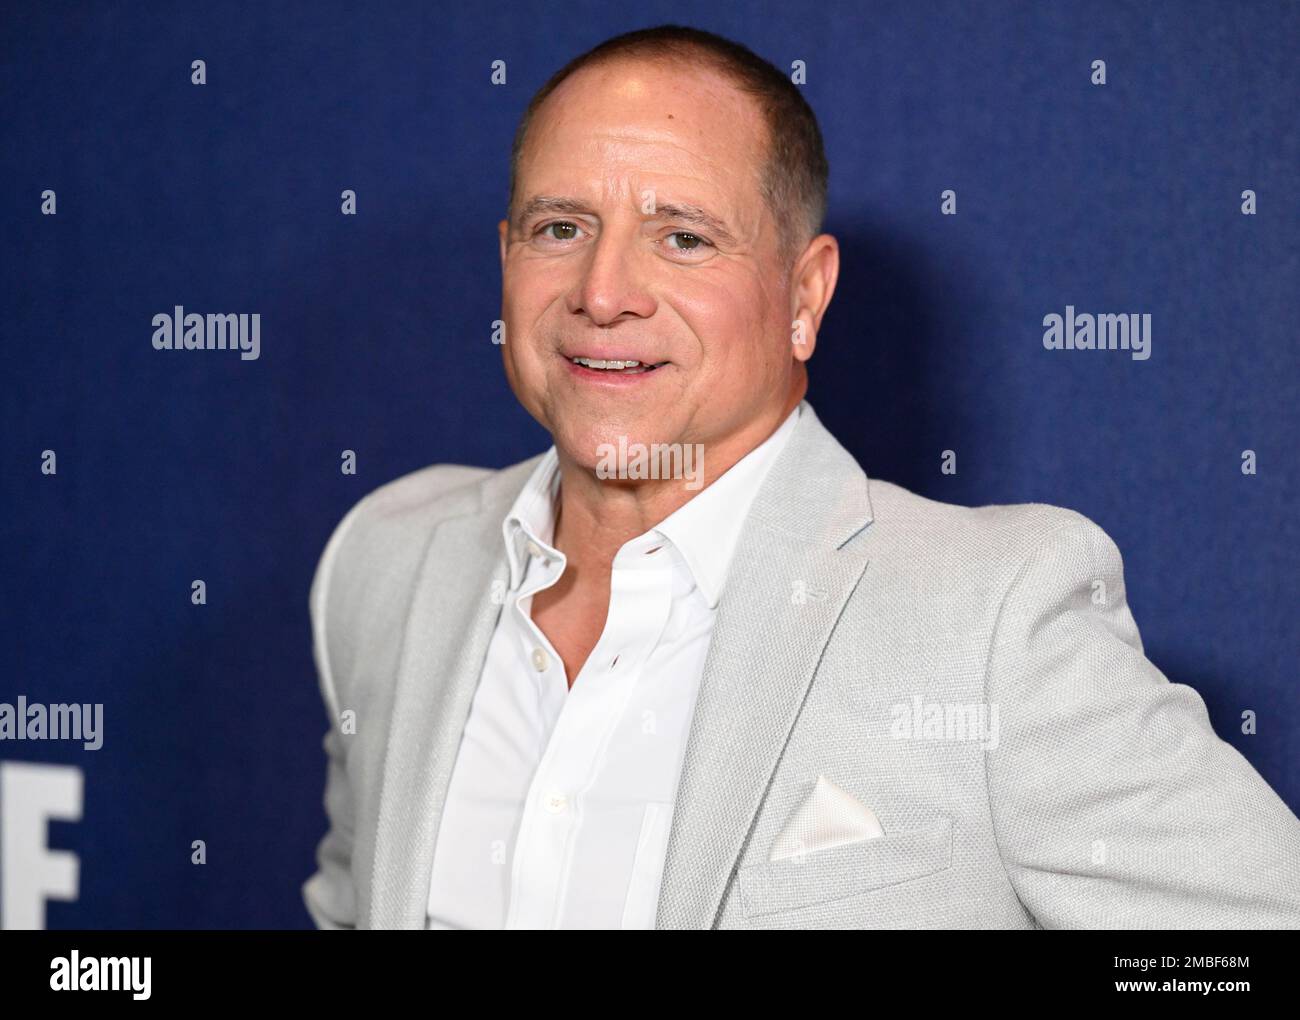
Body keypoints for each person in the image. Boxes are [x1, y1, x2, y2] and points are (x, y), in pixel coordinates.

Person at [302, 24, 1300, 929]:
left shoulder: (989, 621)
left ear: (802, 294)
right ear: (507, 257)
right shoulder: (388, 559)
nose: (602, 294)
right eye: (560, 228)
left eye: (682, 237)